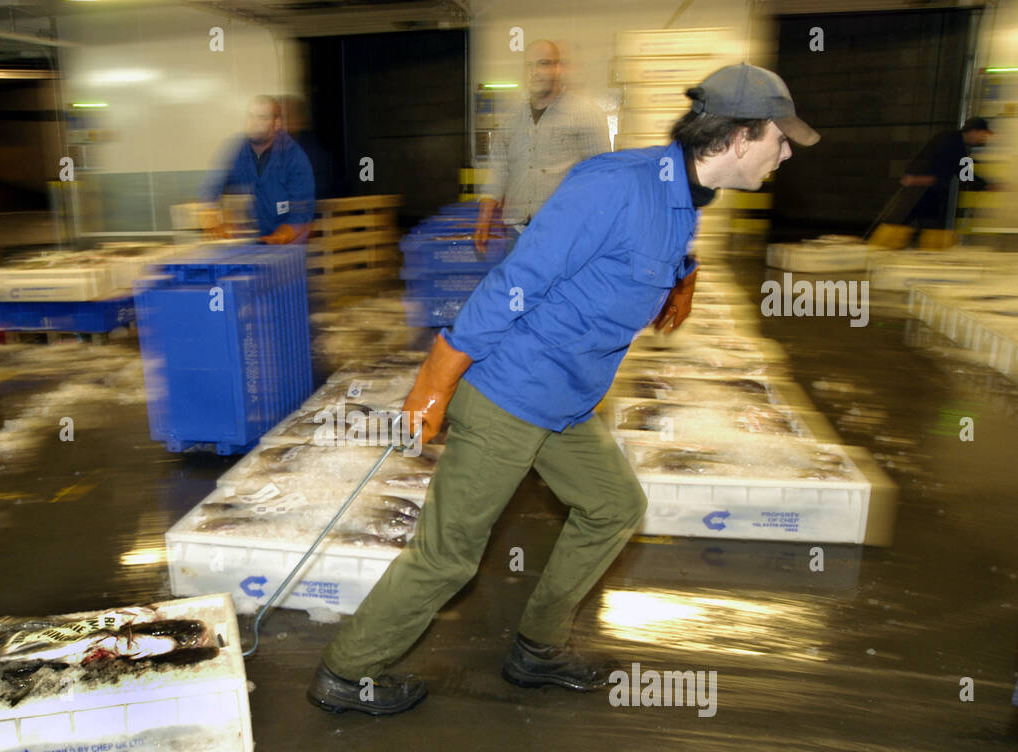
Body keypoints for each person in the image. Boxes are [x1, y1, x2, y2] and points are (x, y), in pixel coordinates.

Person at [307, 63, 819, 716]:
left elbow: (661, 248)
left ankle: (537, 649)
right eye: (780, 140)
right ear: (742, 136)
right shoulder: (612, 186)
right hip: (508, 395)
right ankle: (346, 674)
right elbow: (512, 284)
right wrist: (435, 379)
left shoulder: (686, 196)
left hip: (566, 403)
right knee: (449, 557)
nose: (783, 155)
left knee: (614, 507)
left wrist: (682, 275)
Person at [475, 40, 611, 255]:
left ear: (559, 68)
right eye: (529, 65)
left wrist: (597, 230)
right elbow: (499, 169)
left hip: (564, 234)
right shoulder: (511, 117)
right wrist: (484, 219)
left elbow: (601, 176)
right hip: (517, 234)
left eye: (543, 64)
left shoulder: (586, 114)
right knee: (518, 289)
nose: (534, 72)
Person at [200, 95, 315, 244]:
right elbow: (210, 190)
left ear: (276, 123)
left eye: (262, 118)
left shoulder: (294, 158)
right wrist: (213, 221)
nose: (254, 123)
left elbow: (302, 210)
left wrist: (281, 236)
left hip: (286, 247)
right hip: (246, 245)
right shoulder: (235, 150)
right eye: (250, 116)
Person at [870, 117, 995, 249]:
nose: (983, 139)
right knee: (901, 225)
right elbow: (925, 160)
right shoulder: (949, 141)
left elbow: (965, 174)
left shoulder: (960, 146)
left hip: (930, 193)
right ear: (974, 131)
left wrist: (986, 185)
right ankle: (876, 254)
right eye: (983, 135)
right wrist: (917, 177)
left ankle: (881, 252)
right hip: (920, 190)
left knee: (920, 227)